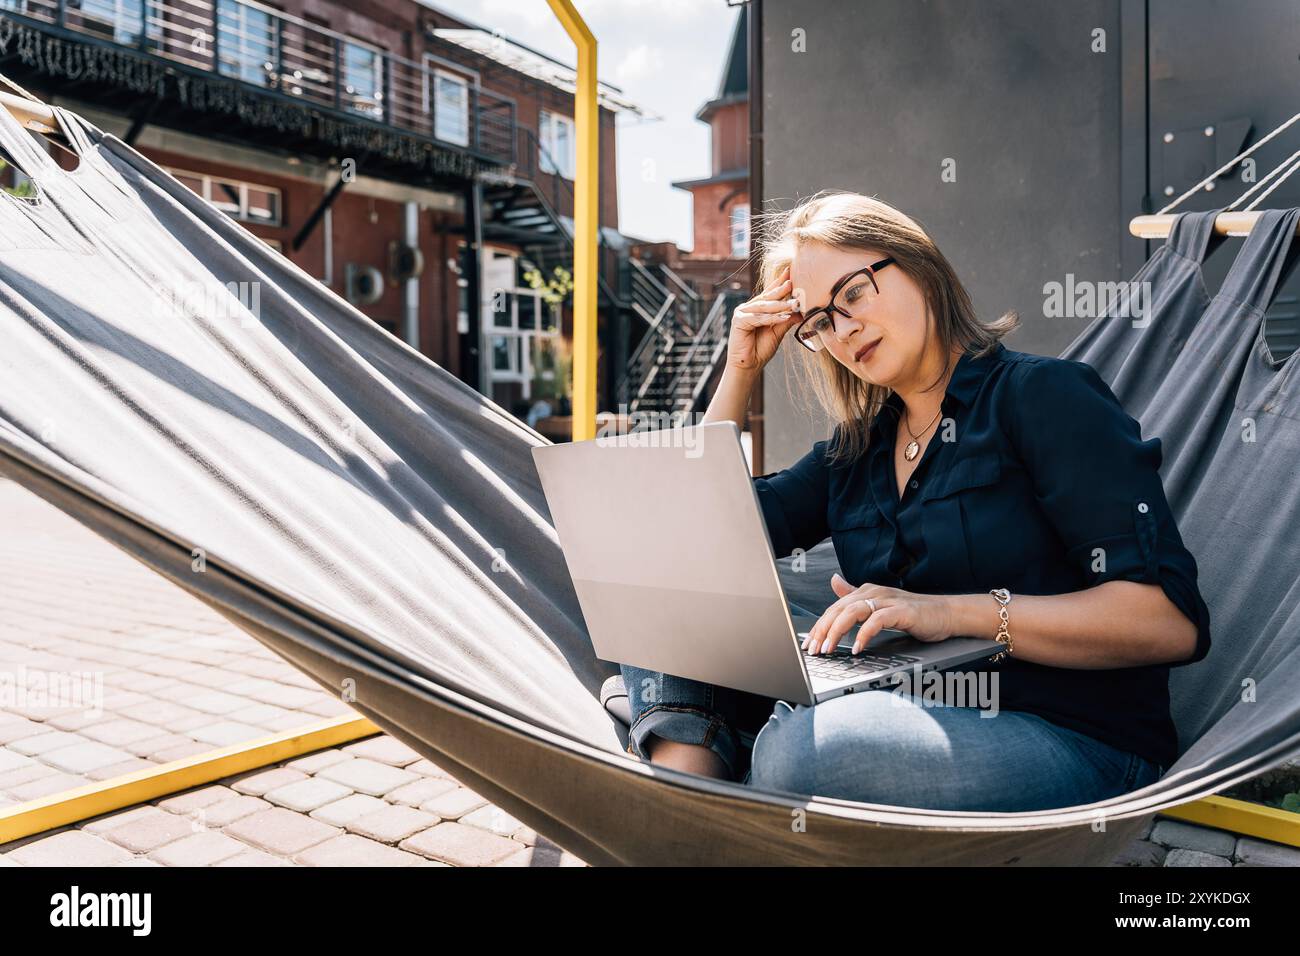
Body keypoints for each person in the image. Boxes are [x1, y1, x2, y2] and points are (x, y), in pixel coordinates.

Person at [619, 190, 1212, 811]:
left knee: (803, 754)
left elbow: (1168, 623)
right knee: (658, 588)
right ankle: (691, 788)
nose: (842, 331)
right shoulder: (856, 451)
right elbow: (688, 536)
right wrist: (740, 369)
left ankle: (693, 763)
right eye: (817, 323)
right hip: (887, 713)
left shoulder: (1043, 398)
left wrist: (950, 613)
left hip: (1072, 737)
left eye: (851, 293)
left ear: (917, 265)